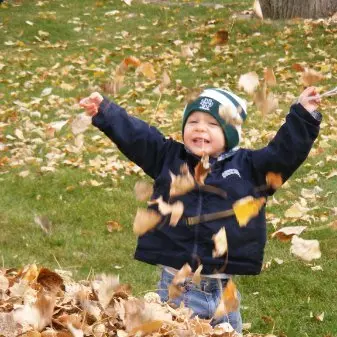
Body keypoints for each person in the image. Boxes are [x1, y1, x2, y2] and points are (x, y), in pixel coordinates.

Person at [80, 87, 321, 333]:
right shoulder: (168, 158)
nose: (200, 128)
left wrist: (303, 115)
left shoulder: (250, 169)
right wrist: (107, 112)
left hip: (224, 293)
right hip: (177, 289)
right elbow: (137, 136)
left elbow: (285, 153)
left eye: (212, 124)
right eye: (193, 121)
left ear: (230, 133)